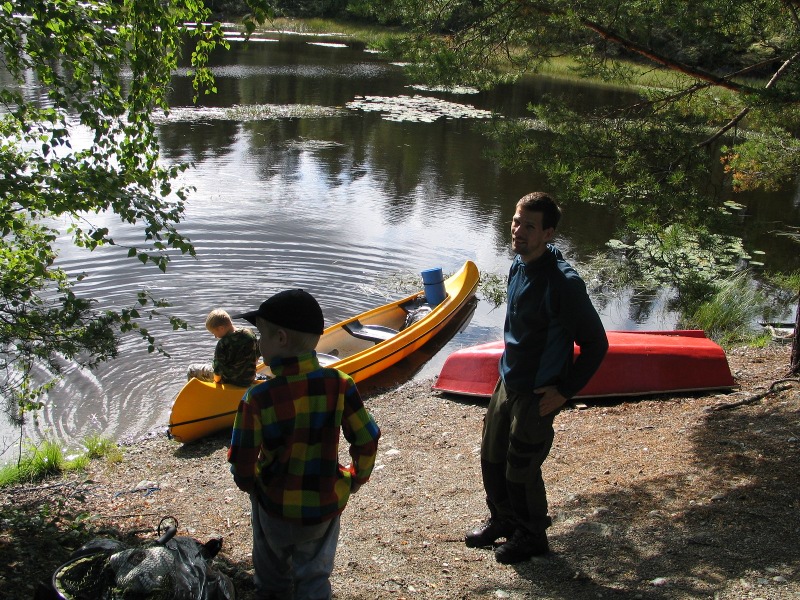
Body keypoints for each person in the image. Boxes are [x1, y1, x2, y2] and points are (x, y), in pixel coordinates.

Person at [465, 192, 609, 564]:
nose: (518, 231)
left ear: (549, 233)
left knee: (521, 468)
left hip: (537, 392)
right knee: (491, 457)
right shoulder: (518, 263)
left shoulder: (563, 283)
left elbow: (596, 343)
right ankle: (504, 521)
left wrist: (565, 391)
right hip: (507, 382)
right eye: (516, 221)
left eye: (529, 226)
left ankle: (532, 536)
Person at [227, 289, 381, 600]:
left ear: (280, 339)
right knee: (314, 576)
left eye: (262, 335)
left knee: (271, 576)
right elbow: (367, 437)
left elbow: (242, 458)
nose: (258, 344)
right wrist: (355, 478)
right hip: (324, 504)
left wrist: (248, 484)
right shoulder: (341, 384)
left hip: (274, 504)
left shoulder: (257, 398)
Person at [186, 308, 259, 387]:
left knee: (191, 369)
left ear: (221, 328)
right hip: (249, 378)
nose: (215, 336)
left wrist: (216, 383)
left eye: (214, 332)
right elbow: (257, 355)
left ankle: (197, 395)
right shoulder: (249, 334)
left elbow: (217, 372)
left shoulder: (223, 343)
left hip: (229, 380)